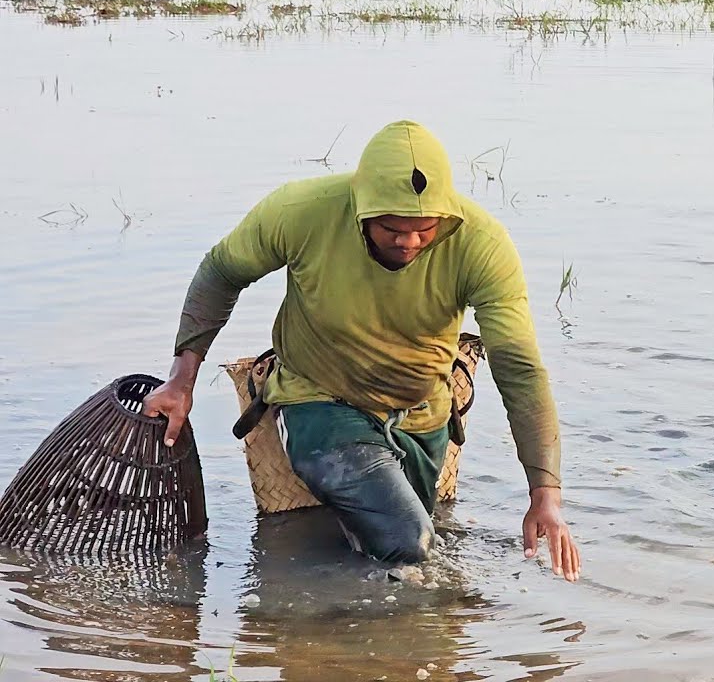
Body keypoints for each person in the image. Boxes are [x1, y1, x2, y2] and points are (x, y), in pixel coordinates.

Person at [142, 119, 581, 581]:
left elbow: (519, 368)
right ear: (360, 210)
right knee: (406, 540)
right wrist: (181, 380)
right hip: (320, 398)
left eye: (425, 229)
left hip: (421, 414)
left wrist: (544, 494)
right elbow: (221, 272)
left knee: (400, 540)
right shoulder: (302, 212)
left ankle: (359, 632)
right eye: (391, 228)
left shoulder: (482, 245)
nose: (409, 241)